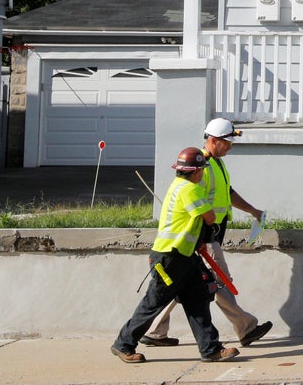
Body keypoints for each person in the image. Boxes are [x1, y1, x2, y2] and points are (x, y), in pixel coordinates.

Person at [141, 118, 273, 348]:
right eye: (227, 142)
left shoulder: (217, 164)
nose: (230, 146)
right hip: (204, 238)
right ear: (213, 140)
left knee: (184, 284)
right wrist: (201, 240)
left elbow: (228, 193)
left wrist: (252, 211)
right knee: (220, 282)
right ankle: (246, 327)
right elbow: (195, 205)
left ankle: (155, 331)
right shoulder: (202, 167)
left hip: (210, 236)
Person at [111, 147, 239, 364]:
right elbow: (209, 217)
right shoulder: (191, 189)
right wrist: (209, 230)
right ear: (197, 171)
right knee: (153, 304)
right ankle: (123, 344)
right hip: (170, 259)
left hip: (183, 257)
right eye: (201, 170)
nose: (202, 174)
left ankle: (211, 349)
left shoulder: (178, 185)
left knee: (198, 301)